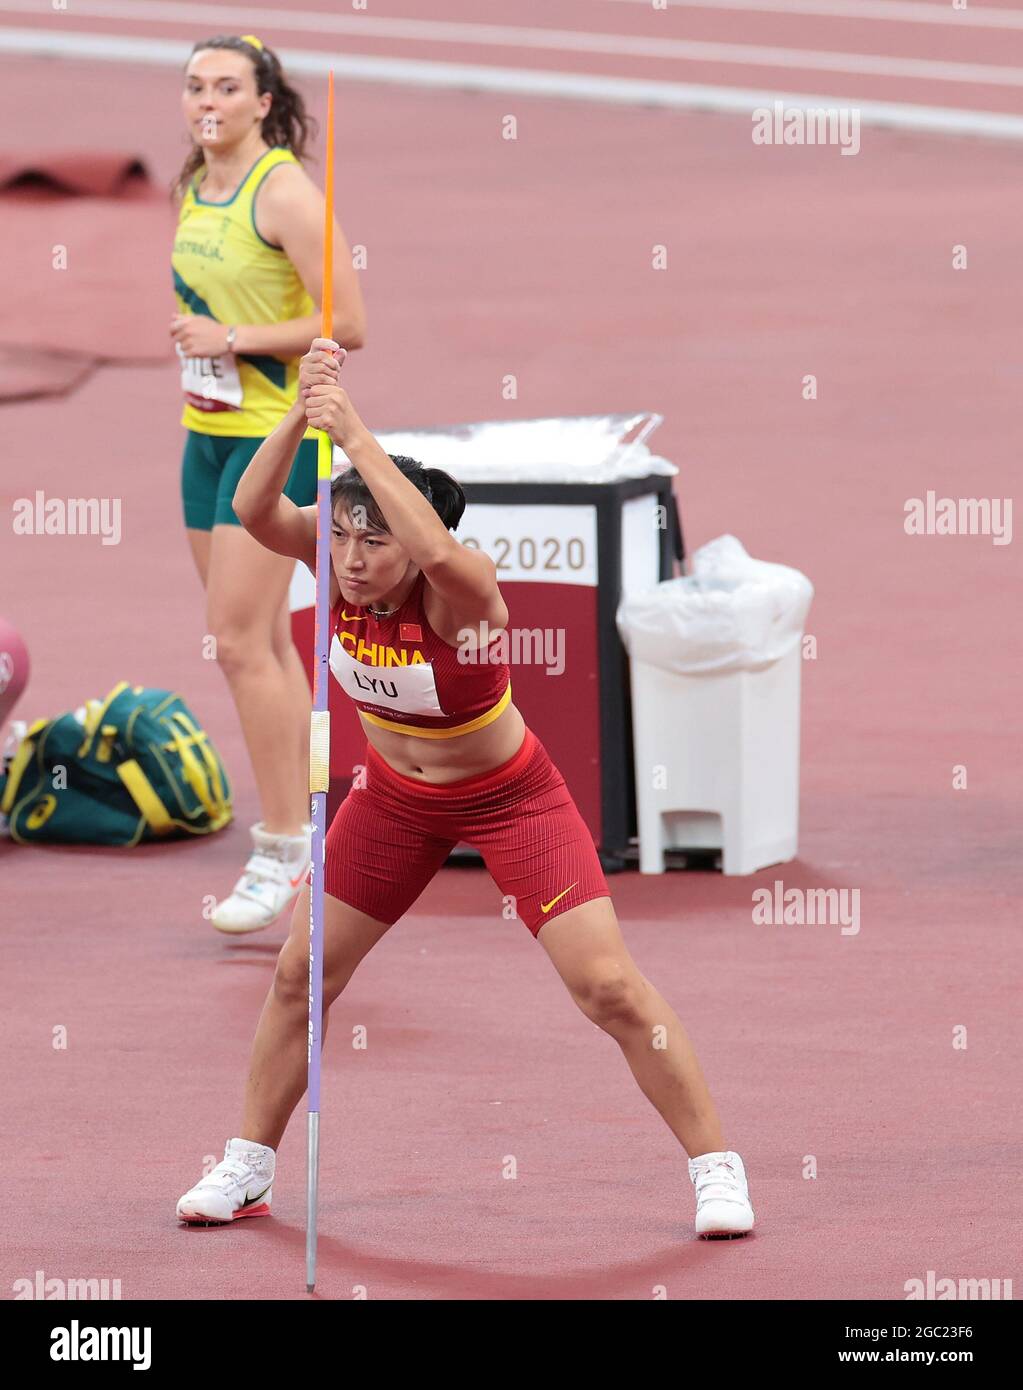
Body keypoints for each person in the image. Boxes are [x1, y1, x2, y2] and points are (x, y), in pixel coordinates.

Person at [175, 342, 754, 1240]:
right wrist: (303, 406)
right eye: (341, 536)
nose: (353, 559)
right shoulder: (335, 569)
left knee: (606, 987)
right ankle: (248, 1165)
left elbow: (439, 548)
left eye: (375, 540)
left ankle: (715, 1168)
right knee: (299, 974)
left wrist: (357, 431)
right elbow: (253, 508)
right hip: (393, 804)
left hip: (510, 800)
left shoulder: (462, 591)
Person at [170, 34, 365, 933]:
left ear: (261, 101)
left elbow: (347, 322)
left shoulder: (281, 191)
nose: (207, 99)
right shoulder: (192, 183)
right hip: (204, 436)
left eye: (226, 86)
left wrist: (233, 342)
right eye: (194, 85)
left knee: (240, 643)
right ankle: (308, 832)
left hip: (272, 441)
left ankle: (282, 846)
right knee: (256, 647)